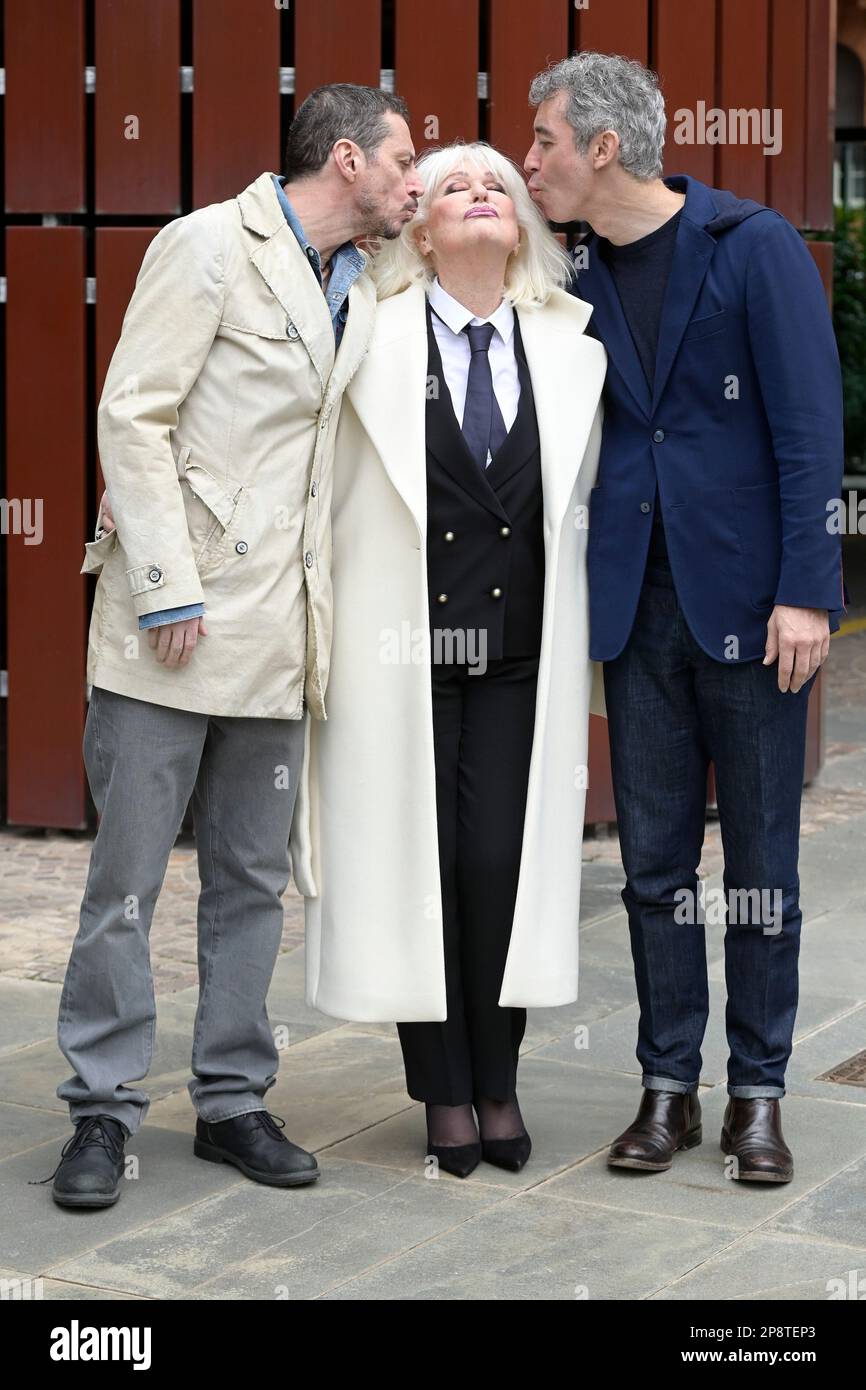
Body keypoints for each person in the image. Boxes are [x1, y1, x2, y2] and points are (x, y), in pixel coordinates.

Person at [41, 84, 424, 1209]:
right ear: (345, 158)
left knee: (252, 882)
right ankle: (102, 1114)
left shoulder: (375, 282)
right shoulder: (206, 243)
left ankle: (230, 1101)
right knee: (124, 884)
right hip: (173, 627)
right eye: (403, 159)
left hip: (282, 636)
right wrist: (163, 585)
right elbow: (133, 414)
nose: (414, 180)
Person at [525, 52, 845, 1182]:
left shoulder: (749, 246)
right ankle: (666, 1087)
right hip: (632, 610)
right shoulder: (565, 270)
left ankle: (756, 1094)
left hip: (753, 611)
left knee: (759, 864)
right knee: (653, 866)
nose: (530, 163)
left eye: (545, 144)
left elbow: (810, 428)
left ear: (601, 149)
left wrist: (806, 589)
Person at [290, 141, 607, 1178]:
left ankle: (498, 1080)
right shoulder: (363, 336)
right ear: (418, 227)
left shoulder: (570, 346)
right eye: (452, 187)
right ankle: (441, 1094)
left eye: (497, 188)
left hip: (520, 661)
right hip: (401, 660)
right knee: (414, 876)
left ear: (520, 226)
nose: (480, 196)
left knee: (496, 872)